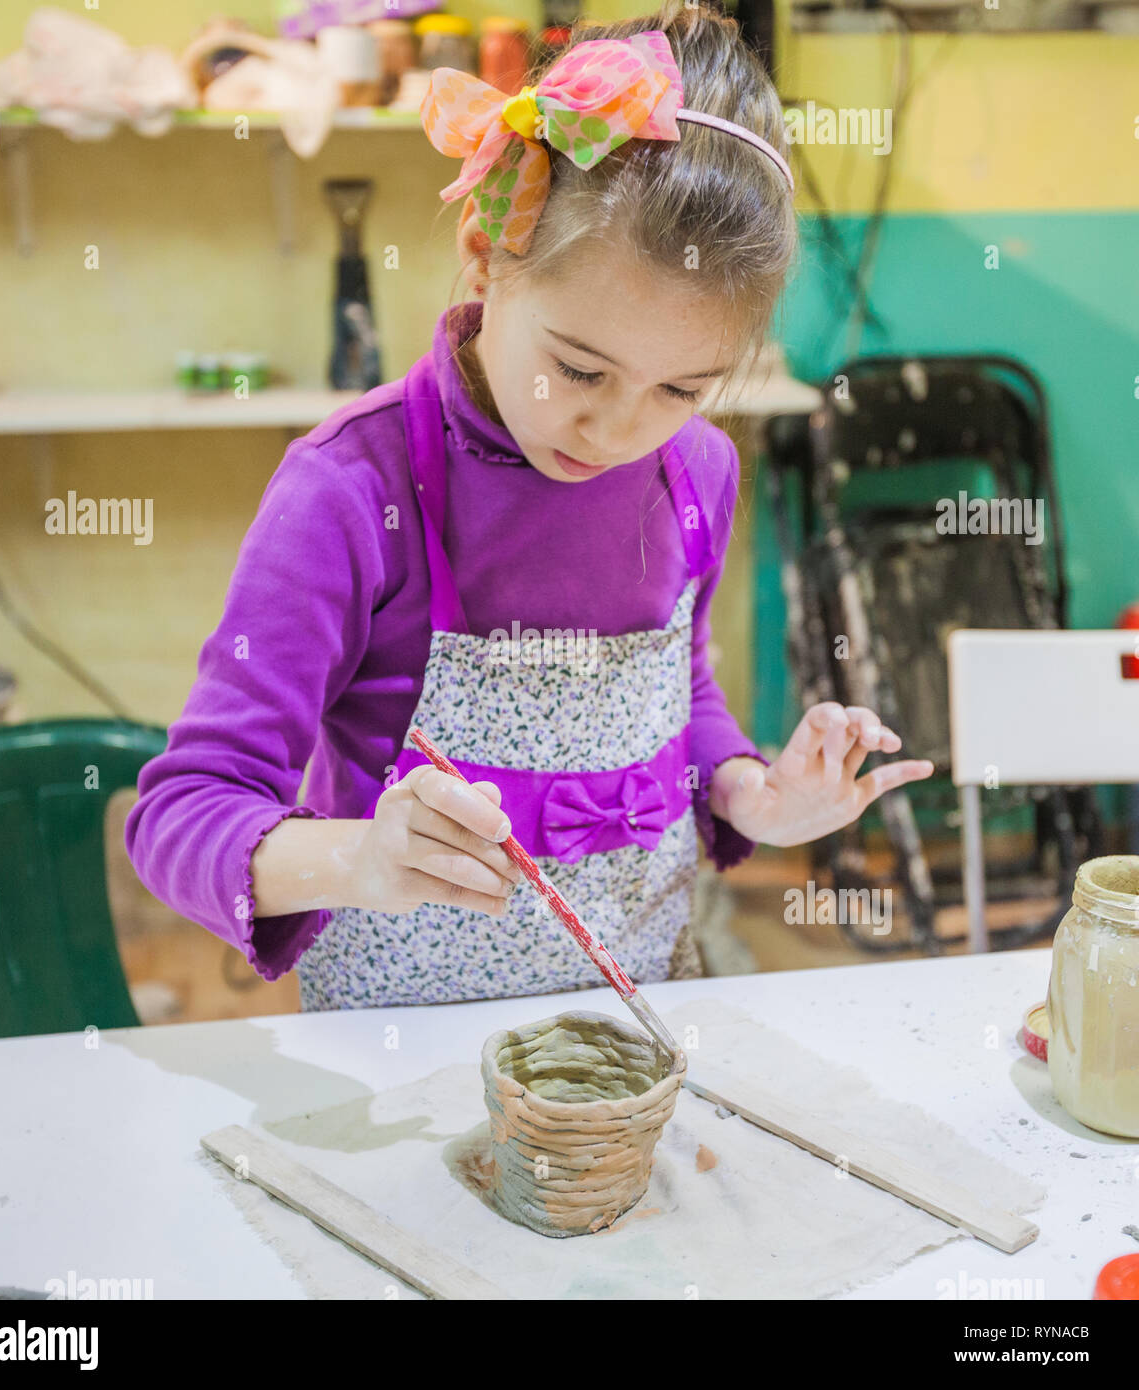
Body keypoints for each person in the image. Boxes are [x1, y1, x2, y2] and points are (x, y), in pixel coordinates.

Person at [125, 4, 933, 1011]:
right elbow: (180, 816)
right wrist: (359, 858)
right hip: (403, 1052)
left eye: (682, 388)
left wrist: (755, 795)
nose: (617, 431)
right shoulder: (350, 491)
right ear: (485, 251)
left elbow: (679, 702)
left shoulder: (699, 475)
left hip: (630, 1026)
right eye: (578, 368)